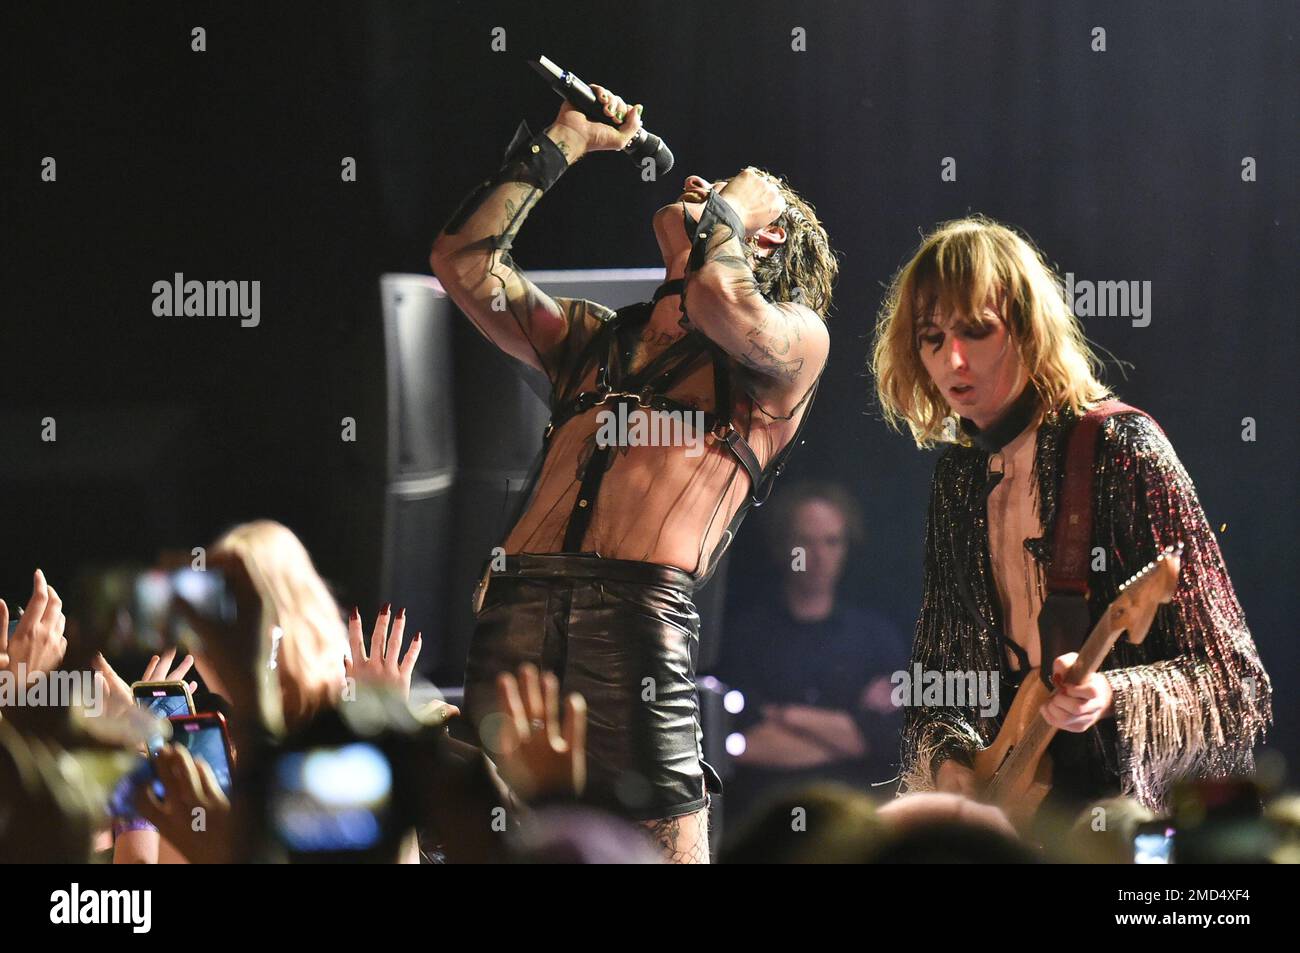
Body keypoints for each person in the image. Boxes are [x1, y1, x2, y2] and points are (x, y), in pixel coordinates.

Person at [430, 81, 838, 862]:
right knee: (478, 844)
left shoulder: (788, 349)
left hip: (633, 625)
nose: (701, 186)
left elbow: (720, 296)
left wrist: (733, 208)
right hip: (518, 604)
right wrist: (564, 143)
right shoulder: (592, 338)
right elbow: (461, 261)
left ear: (767, 239)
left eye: (724, 194)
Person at [871, 215, 1272, 819]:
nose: (952, 360)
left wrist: (1114, 693)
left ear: (1029, 329)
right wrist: (950, 759)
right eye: (931, 338)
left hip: (1117, 811)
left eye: (977, 331)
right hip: (1011, 812)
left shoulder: (1122, 448)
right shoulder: (957, 478)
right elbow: (938, 674)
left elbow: (1234, 683)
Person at [714, 481, 906, 821]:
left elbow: (887, 745)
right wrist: (846, 735)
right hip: (762, 819)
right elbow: (742, 745)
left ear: (847, 547)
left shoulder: (876, 637)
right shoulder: (746, 635)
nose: (818, 557)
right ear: (782, 546)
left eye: (832, 541)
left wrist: (785, 716)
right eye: (805, 541)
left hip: (855, 823)